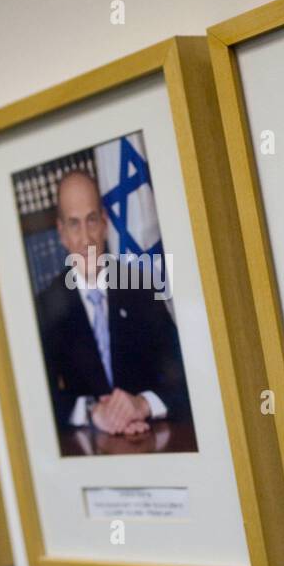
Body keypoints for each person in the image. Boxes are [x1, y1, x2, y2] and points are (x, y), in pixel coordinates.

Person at [35, 170, 193, 440]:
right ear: (61, 233)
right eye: (74, 224)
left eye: (92, 220)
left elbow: (188, 378)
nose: (86, 239)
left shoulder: (140, 287)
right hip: (91, 459)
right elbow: (38, 401)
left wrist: (142, 405)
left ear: (105, 223)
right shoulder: (45, 308)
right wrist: (93, 412)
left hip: (154, 445)